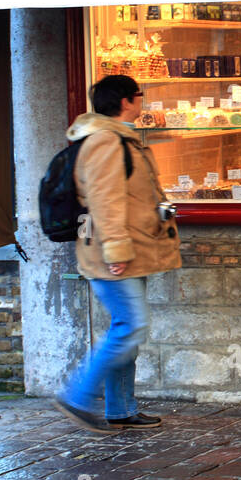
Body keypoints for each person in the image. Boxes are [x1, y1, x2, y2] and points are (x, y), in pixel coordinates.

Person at [55, 75, 180, 433]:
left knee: (125, 328)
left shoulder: (117, 137)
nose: (142, 102)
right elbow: (105, 202)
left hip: (131, 247)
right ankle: (77, 396)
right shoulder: (106, 141)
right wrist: (116, 251)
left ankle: (121, 408)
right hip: (112, 253)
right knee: (132, 326)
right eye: (139, 96)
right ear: (126, 101)